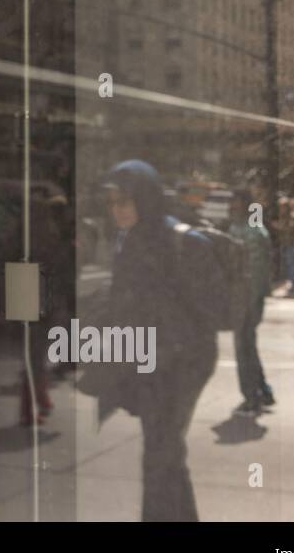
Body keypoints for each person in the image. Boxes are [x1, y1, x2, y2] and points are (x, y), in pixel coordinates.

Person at [82, 161, 220, 522]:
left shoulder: (176, 242)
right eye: (111, 203)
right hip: (153, 361)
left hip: (181, 364)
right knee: (165, 454)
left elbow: (205, 313)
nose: (117, 210)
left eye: (125, 201)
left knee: (161, 453)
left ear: (145, 199)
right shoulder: (130, 241)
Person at [228, 191, 275, 413]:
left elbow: (250, 267)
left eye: (235, 203)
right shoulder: (254, 228)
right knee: (249, 344)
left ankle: (251, 395)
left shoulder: (241, 231)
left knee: (243, 346)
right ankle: (262, 391)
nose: (232, 206)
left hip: (244, 296)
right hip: (252, 295)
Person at [273, 197, 294, 296]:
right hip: (288, 244)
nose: (281, 209)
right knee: (290, 265)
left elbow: (290, 227)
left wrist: (279, 226)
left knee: (293, 265)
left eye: (282, 207)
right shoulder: (284, 217)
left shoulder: (293, 216)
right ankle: (292, 283)